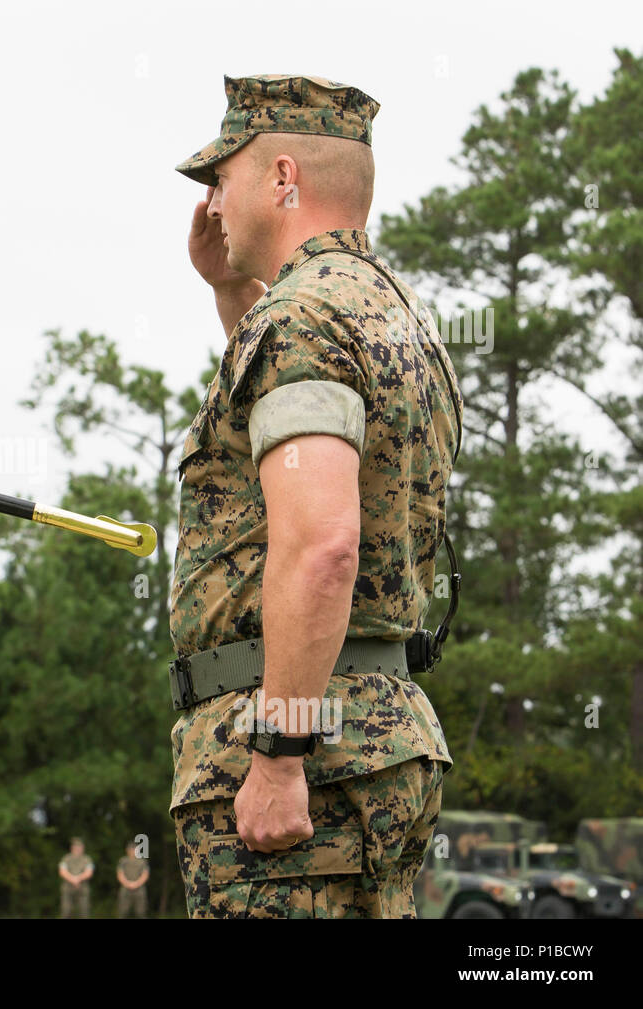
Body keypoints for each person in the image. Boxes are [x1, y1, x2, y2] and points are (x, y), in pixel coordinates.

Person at [167, 74, 463, 918]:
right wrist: (232, 294)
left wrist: (278, 754)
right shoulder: (394, 317)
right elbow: (300, 462)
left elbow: (323, 543)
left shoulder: (302, 320)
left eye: (222, 178)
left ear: (283, 179)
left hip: (307, 752)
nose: (213, 203)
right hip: (376, 735)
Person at [58, 838, 94, 917]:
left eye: (79, 846)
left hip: (83, 889)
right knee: (66, 911)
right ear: (72, 848)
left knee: (84, 911)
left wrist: (78, 879)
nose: (77, 848)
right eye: (76, 846)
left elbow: (89, 872)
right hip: (68, 888)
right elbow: (62, 871)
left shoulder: (87, 859)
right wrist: (72, 879)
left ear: (83, 848)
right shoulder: (66, 858)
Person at [115, 842, 149, 918]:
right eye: (130, 849)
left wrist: (136, 884)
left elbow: (145, 874)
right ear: (127, 850)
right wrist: (127, 884)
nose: (132, 851)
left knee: (141, 912)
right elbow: (120, 874)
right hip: (125, 888)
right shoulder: (123, 861)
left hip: (139, 889)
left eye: (134, 849)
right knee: (122, 912)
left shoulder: (142, 861)